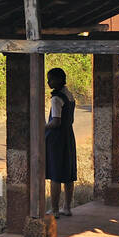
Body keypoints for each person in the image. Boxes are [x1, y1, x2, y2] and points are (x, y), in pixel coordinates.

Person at [44, 67, 77, 216]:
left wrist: (43, 127)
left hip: (57, 138)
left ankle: (55, 209)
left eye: (50, 79)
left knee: (56, 173)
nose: (48, 82)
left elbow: (56, 121)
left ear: (57, 80)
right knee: (68, 173)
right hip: (68, 135)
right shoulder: (69, 95)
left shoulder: (56, 98)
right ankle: (67, 207)